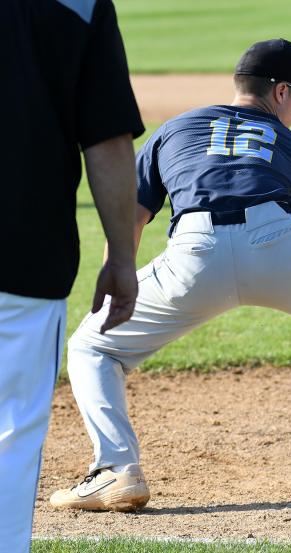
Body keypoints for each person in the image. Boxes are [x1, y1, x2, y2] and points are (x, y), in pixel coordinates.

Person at [50, 38, 291, 511]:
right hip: (280, 247)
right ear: (281, 91)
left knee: (92, 345)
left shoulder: (175, 129)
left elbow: (129, 216)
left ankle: (116, 469)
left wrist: (120, 276)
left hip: (193, 252)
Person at [0, 0, 143, 550]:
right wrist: (122, 259)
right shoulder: (80, 4)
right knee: (10, 433)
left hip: (26, 259)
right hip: (22, 255)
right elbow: (106, 141)